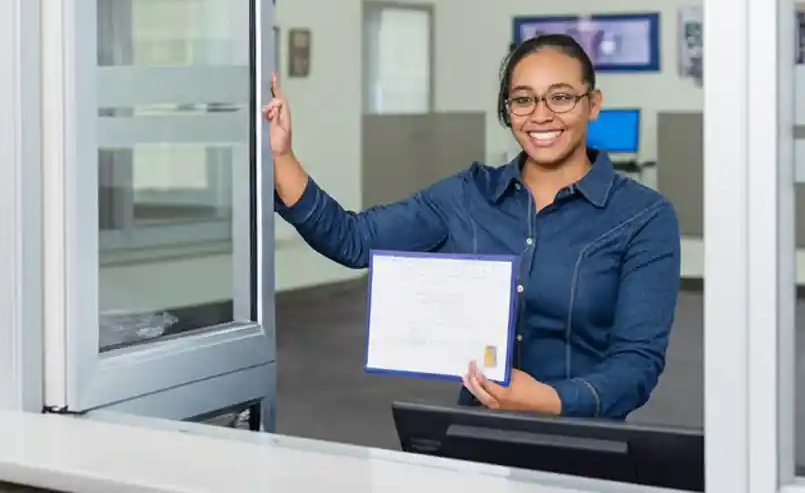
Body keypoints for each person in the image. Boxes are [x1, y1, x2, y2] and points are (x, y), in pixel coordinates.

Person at [264, 34, 680, 420]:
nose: (541, 115)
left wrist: (545, 400)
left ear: (593, 103)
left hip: (583, 446)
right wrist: (283, 156)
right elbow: (352, 239)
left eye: (561, 97)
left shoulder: (643, 217)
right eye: (523, 100)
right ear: (507, 109)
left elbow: (636, 365)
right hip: (479, 437)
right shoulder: (466, 196)